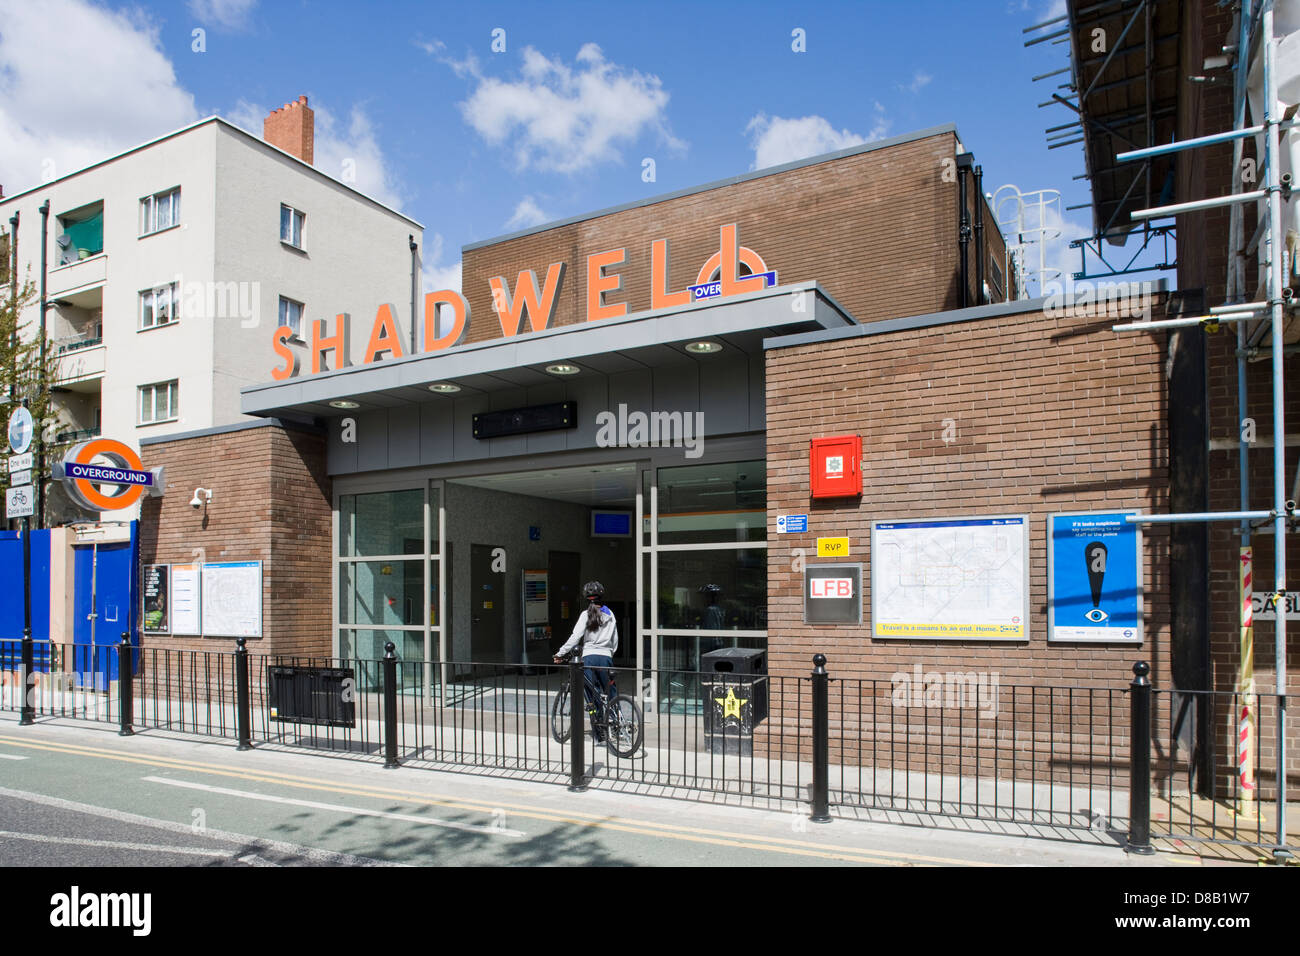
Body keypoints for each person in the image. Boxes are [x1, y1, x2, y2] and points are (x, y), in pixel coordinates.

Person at [554, 581, 619, 741]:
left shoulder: (585, 614)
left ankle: (599, 733)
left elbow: (575, 637)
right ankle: (616, 722)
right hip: (606, 657)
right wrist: (609, 653)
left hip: (589, 657)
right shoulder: (610, 614)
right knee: (610, 693)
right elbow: (615, 640)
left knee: (593, 695)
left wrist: (560, 653)